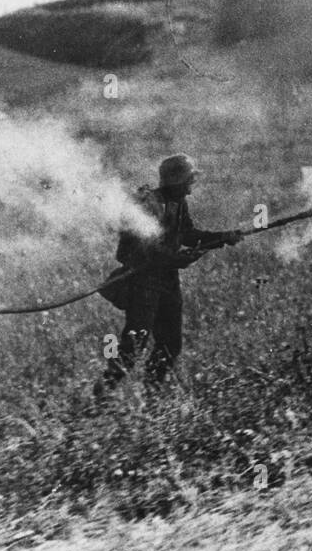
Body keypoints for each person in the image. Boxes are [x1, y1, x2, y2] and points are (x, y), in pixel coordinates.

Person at [95, 154, 242, 395]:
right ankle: (104, 393)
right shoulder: (147, 204)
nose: (190, 190)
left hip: (168, 280)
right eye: (187, 183)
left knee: (170, 344)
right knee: (134, 345)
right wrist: (177, 259)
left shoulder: (178, 202)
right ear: (174, 180)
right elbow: (145, 249)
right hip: (143, 282)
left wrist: (222, 237)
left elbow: (187, 234)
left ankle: (152, 395)